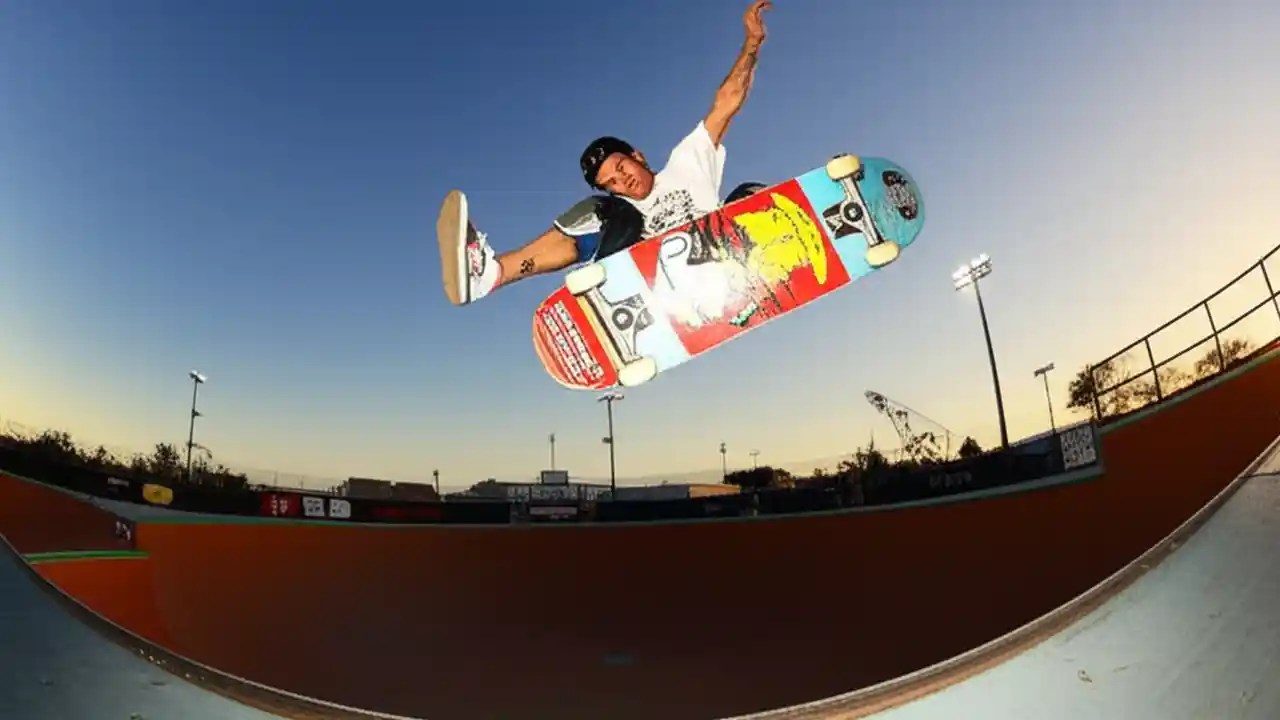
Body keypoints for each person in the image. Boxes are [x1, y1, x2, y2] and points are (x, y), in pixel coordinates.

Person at [440, 0, 774, 306]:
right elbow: (591, 227)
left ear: (637, 155)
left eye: (620, 166)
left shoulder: (687, 161)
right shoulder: (619, 216)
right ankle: (492, 275)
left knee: (750, 195)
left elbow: (726, 102)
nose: (623, 181)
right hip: (665, 288)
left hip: (728, 264)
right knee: (610, 215)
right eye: (611, 182)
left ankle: (808, 231)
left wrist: (752, 43)